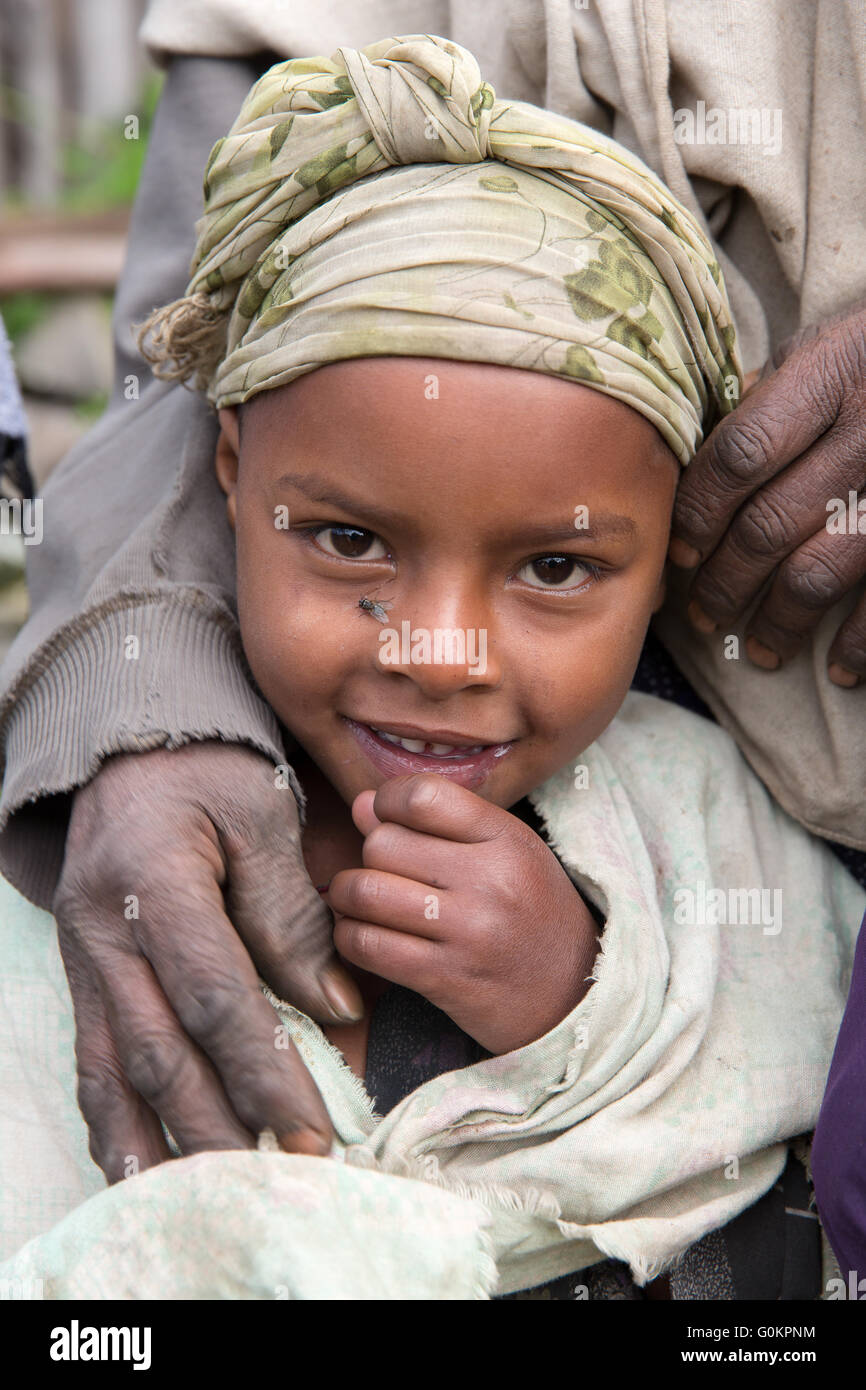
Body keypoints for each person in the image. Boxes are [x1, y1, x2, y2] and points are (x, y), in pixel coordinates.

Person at [0, 34, 862, 1301]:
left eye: (554, 570)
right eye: (350, 541)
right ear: (228, 471)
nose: (440, 652)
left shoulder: (708, 830)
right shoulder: (94, 854)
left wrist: (582, 995)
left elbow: (774, 1071)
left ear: (673, 536)